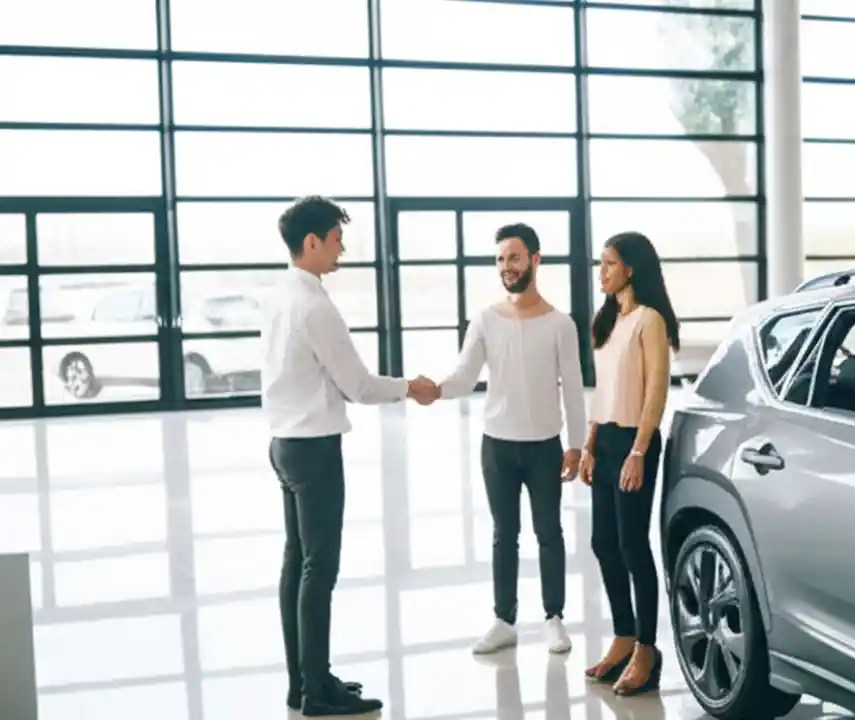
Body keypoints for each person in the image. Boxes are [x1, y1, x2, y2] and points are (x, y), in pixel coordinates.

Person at [261, 195, 434, 717]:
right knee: (320, 569)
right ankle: (317, 694)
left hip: (284, 444)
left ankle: (303, 681)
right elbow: (357, 385)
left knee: (298, 563)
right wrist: (411, 386)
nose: (342, 247)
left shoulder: (279, 296)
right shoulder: (314, 304)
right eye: (336, 238)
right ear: (311, 241)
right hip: (314, 451)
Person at [423, 222, 586, 656]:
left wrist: (576, 444)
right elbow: (463, 375)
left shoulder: (560, 324)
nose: (506, 266)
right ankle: (504, 620)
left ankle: (554, 618)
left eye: (514, 257)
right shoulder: (485, 320)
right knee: (504, 534)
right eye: (499, 259)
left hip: (544, 447)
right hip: (497, 444)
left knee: (548, 531)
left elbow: (572, 387)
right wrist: (434, 388)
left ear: (535, 259)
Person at [580, 231, 679, 696]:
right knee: (603, 542)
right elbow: (603, 391)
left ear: (631, 268)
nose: (602, 271)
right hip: (606, 439)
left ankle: (646, 647)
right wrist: (588, 444)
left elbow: (656, 390)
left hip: (636, 442)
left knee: (632, 545)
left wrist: (638, 451)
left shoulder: (649, 320)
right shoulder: (609, 320)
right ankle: (622, 635)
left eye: (609, 264)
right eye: (601, 264)